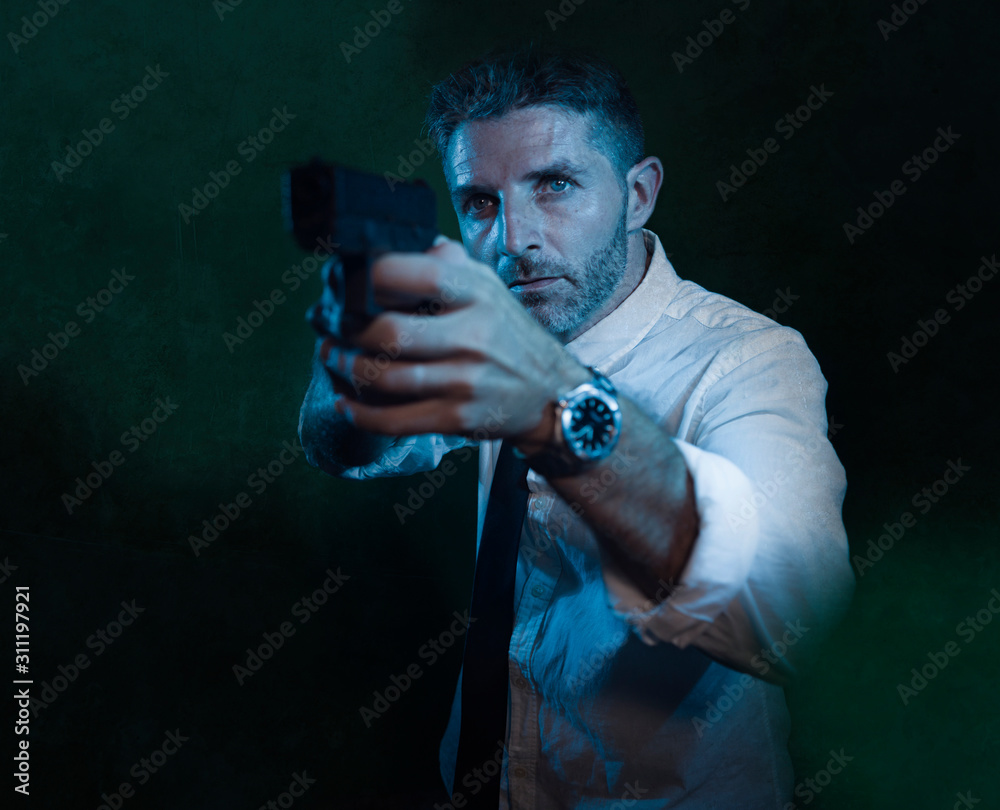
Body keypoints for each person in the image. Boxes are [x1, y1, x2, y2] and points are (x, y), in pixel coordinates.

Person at [298, 45, 855, 810]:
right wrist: (353, 368)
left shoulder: (746, 359)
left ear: (638, 193)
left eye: (555, 185)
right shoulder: (489, 323)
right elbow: (341, 449)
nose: (514, 240)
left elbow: (797, 615)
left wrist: (553, 399)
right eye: (481, 202)